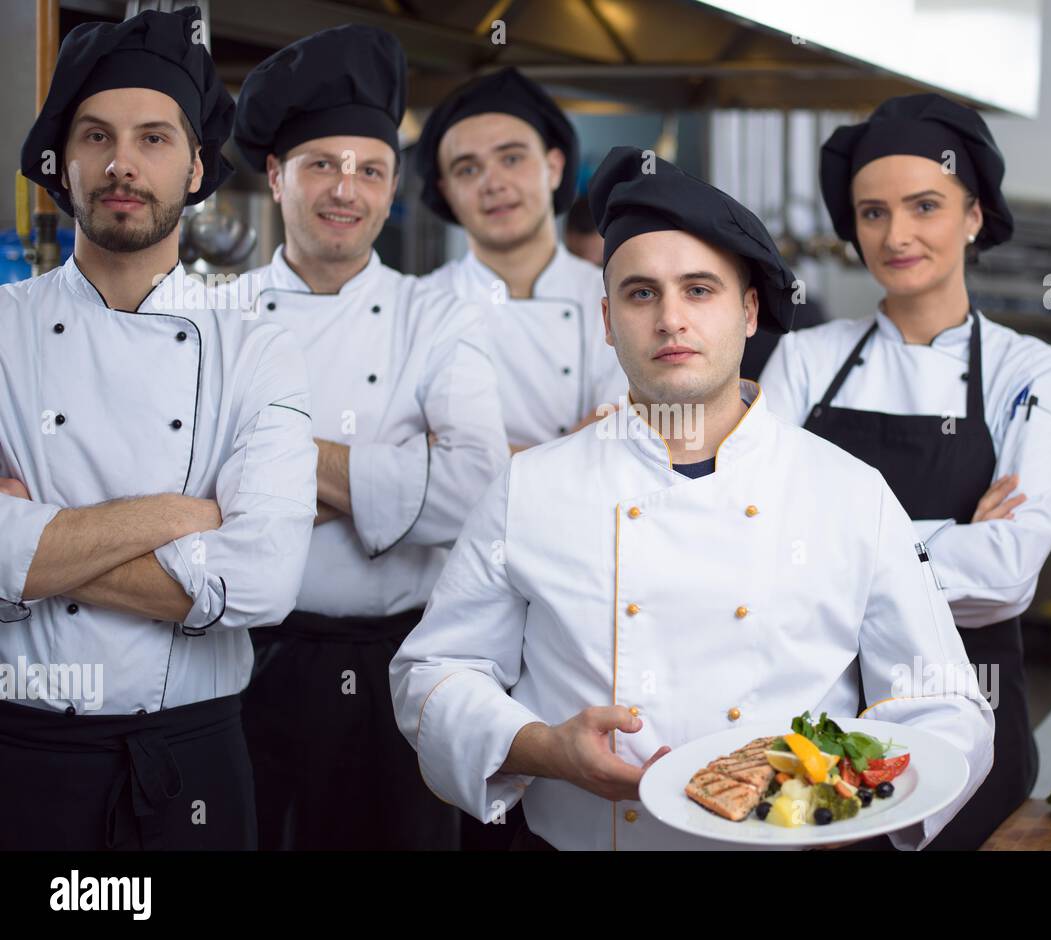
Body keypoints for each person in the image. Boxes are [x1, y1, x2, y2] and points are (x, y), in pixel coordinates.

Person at [390, 146, 994, 851]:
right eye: (641, 293)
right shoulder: (532, 487)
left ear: (747, 311)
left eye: (699, 290)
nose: (670, 319)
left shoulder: (849, 493)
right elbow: (434, 672)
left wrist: (858, 810)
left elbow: (945, 704)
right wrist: (543, 747)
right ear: (608, 320)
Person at [0, 6, 317, 850]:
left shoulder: (260, 343)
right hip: (20, 755)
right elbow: (227, 559)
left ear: (195, 166)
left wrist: (30, 555)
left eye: (153, 138)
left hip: (193, 758)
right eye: (96, 137)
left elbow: (263, 581)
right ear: (61, 165)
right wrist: (184, 516)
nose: (121, 165)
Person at [760, 93, 1051, 850]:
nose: (896, 234)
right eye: (872, 213)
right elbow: (757, 536)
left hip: (969, 717)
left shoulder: (1032, 371)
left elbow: (1007, 572)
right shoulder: (807, 357)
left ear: (974, 215)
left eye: (924, 205)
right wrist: (953, 537)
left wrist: (828, 550)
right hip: (817, 722)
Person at [228, 24, 509, 850]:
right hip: (243, 665)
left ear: (390, 191)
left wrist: (265, 462)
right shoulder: (212, 317)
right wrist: (390, 471)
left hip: (405, 665)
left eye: (371, 170)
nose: (345, 190)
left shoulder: (437, 314)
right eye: (322, 164)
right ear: (276, 175)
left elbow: (476, 485)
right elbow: (171, 490)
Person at [416, 67, 625, 454]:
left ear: (554, 167)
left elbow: (629, 427)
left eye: (511, 159)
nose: (493, 183)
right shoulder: (419, 307)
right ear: (447, 191)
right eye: (468, 169)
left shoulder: (618, 296)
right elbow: (408, 456)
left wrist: (467, 459)